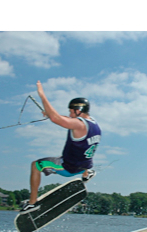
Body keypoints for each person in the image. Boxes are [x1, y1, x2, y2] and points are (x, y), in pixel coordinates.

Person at [21, 81, 100, 213]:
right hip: (84, 166)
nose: (69, 115)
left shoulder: (79, 126)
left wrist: (42, 95)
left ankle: (32, 203)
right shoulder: (94, 124)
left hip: (68, 168)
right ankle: (87, 175)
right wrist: (50, 114)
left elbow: (55, 119)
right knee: (78, 151)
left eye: (71, 112)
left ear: (78, 111)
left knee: (36, 165)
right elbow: (63, 118)